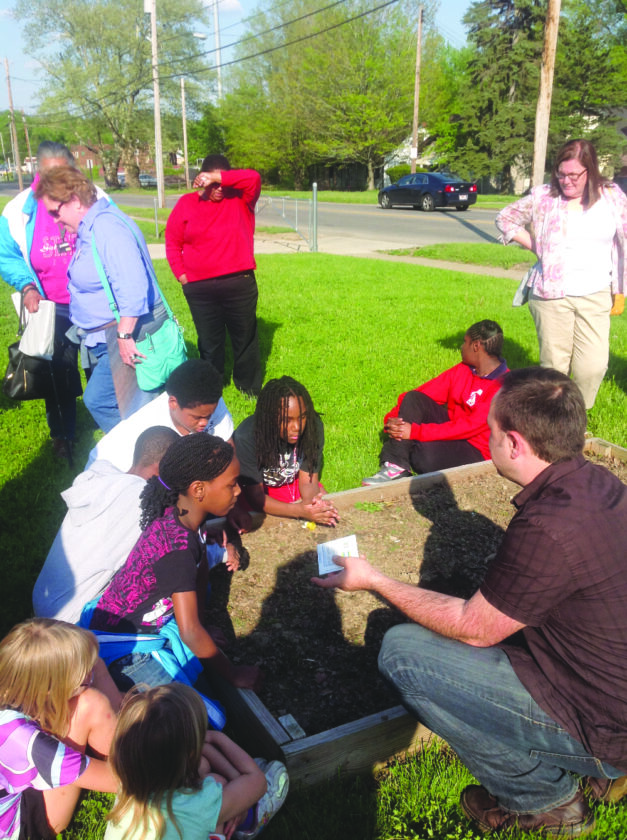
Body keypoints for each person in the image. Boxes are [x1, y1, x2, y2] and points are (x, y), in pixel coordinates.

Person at [313, 367, 627, 837]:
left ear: (517, 444)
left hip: (603, 721)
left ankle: (545, 800)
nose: (489, 438)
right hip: (612, 689)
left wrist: (373, 578)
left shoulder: (547, 527)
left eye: (492, 432)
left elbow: (473, 627)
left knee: (403, 653)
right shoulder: (598, 484)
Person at [89, 433, 262, 692]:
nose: (238, 491)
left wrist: (201, 625)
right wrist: (233, 673)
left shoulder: (187, 514)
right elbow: (190, 632)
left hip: (146, 622)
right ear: (198, 490)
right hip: (125, 648)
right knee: (186, 712)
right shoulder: (176, 551)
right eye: (232, 484)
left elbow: (201, 570)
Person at [495, 138, 627, 410]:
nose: (566, 181)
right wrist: (535, 245)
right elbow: (505, 218)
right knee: (554, 368)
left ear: (590, 170)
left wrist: (620, 288)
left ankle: (577, 411)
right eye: (561, 173)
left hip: (596, 292)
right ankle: (557, 422)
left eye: (573, 175)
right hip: (550, 295)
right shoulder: (544, 196)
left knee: (592, 366)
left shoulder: (612, 197)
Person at [35, 166, 168, 432]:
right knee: (126, 406)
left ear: (73, 201)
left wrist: (124, 336)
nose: (55, 220)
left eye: (54, 212)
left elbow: (133, 284)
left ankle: (146, 459)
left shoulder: (106, 227)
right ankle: (145, 457)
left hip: (127, 335)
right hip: (106, 338)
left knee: (110, 403)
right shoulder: (93, 227)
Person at [0, 142, 106, 459]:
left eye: (64, 173)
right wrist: (28, 285)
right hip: (51, 306)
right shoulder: (17, 210)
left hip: (92, 301)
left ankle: (110, 424)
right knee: (58, 373)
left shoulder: (96, 197)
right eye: (50, 174)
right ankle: (63, 434)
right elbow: (7, 256)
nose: (57, 181)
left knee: (101, 366)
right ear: (38, 174)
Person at [105, 683, 288, 840]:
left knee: (209, 773)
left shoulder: (127, 790)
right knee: (220, 783)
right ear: (191, 753)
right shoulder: (200, 803)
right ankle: (252, 818)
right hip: (208, 801)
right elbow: (257, 780)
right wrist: (217, 738)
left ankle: (239, 803)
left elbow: (197, 763)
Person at [33, 425, 178, 624]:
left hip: (42, 601)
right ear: (165, 468)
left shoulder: (101, 480)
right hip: (71, 624)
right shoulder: (144, 501)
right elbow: (180, 549)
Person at [0, 618, 121, 840]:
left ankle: (129, 734)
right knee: (90, 704)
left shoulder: (12, 693)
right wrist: (184, 753)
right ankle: (127, 749)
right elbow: (120, 780)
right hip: (19, 824)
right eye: (84, 678)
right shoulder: (26, 742)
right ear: (48, 688)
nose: (90, 676)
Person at [362, 320, 508, 484]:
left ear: (476, 346)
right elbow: (423, 393)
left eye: (464, 342)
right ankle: (396, 466)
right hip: (451, 433)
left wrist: (415, 432)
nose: (461, 347)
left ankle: (401, 455)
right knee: (413, 398)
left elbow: (468, 427)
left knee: (424, 455)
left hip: (475, 450)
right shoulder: (463, 369)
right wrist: (393, 419)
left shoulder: (504, 386)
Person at [165, 154, 263, 397]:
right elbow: (172, 242)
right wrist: (182, 275)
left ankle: (247, 387)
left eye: (222, 182)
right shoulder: (187, 203)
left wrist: (219, 178)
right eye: (212, 183)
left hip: (239, 283)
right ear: (202, 180)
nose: (218, 188)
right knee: (210, 342)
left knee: (245, 338)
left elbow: (253, 177)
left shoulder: (242, 200)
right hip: (200, 289)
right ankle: (212, 388)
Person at [86, 358, 234, 472]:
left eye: (209, 415)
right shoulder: (139, 432)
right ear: (173, 403)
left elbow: (228, 452)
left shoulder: (209, 402)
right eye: (197, 418)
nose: (205, 422)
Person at [232, 376, 339, 527]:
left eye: (302, 417)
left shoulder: (313, 427)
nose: (297, 427)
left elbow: (309, 481)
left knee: (328, 507)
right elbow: (256, 497)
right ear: (269, 418)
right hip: (259, 492)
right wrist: (299, 511)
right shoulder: (247, 437)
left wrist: (311, 505)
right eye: (287, 420)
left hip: (294, 484)